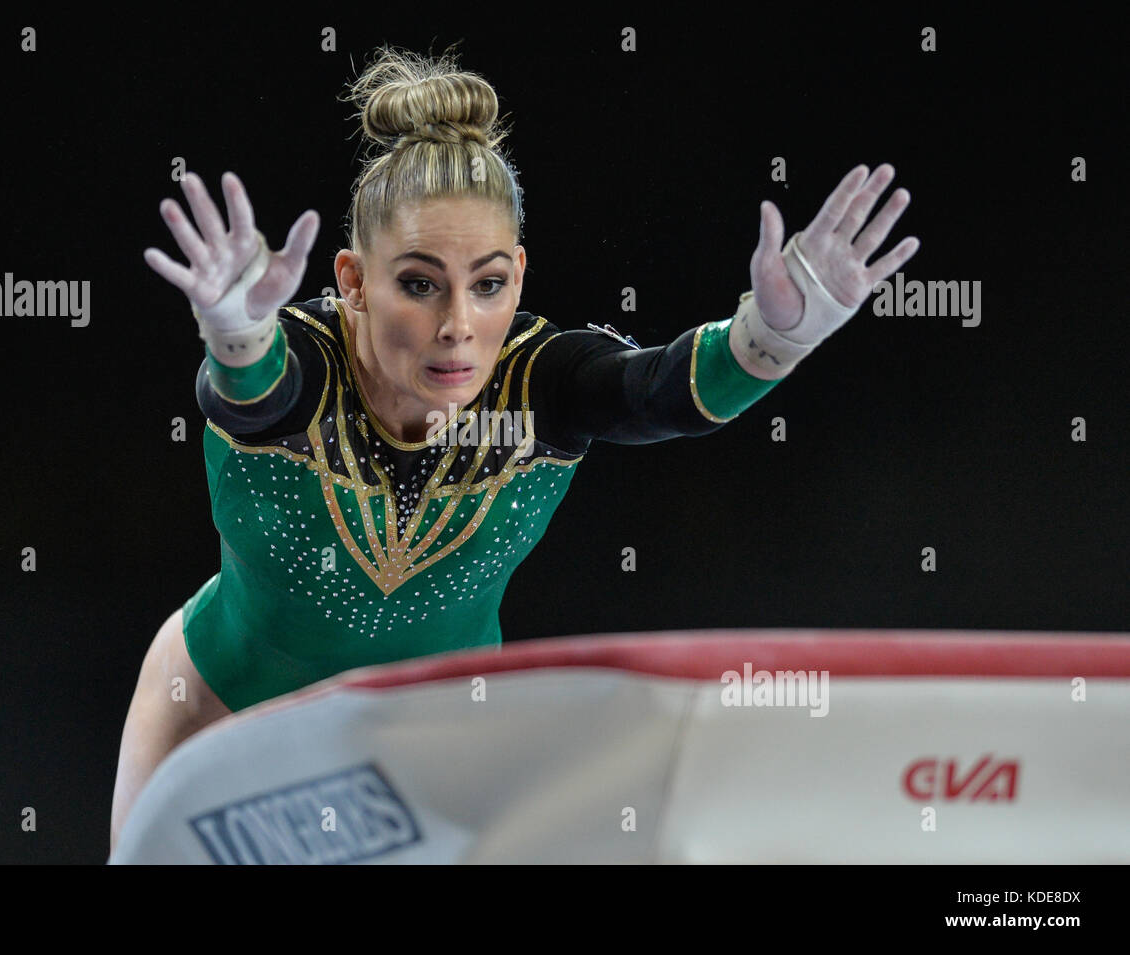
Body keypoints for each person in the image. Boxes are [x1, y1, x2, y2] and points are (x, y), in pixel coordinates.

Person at [109, 44, 919, 851]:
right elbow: (257, 395)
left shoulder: (540, 384)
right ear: (352, 280)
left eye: (488, 283)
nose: (458, 324)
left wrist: (771, 338)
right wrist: (235, 334)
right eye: (419, 284)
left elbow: (657, 391)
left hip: (434, 745)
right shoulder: (305, 364)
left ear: (519, 277)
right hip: (216, 717)